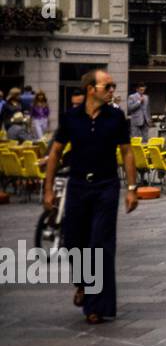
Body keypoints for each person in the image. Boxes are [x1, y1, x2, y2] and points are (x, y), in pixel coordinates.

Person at [42, 68, 138, 325]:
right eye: (107, 86)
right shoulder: (71, 118)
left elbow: (127, 153)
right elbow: (55, 153)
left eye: (113, 86)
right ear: (90, 89)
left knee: (100, 244)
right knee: (74, 242)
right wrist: (48, 189)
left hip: (106, 186)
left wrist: (131, 189)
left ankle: (96, 306)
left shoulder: (116, 117)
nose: (111, 91)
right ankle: (83, 283)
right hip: (77, 186)